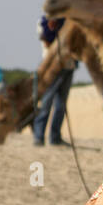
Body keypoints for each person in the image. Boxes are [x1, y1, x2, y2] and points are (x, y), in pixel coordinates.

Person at [34, 17, 72, 146]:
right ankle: (39, 136)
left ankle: (55, 137)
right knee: (46, 102)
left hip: (68, 65)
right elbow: (46, 42)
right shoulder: (42, 22)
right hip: (51, 68)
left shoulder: (68, 21)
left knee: (61, 105)